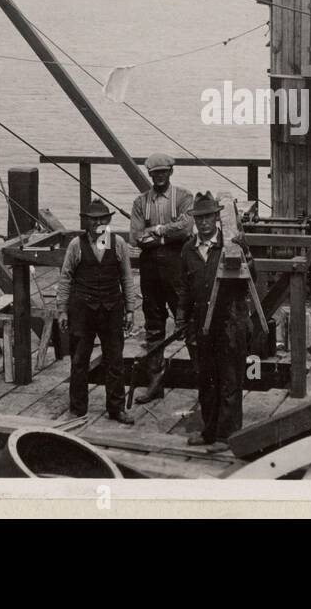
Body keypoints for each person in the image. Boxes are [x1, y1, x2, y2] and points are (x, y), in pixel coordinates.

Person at [54, 199, 137, 424]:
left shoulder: (118, 243)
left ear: (108, 220)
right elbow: (65, 278)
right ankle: (78, 408)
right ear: (86, 222)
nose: (98, 223)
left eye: (102, 219)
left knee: (115, 360)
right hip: (82, 309)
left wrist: (130, 310)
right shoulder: (75, 245)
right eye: (93, 219)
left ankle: (116, 409)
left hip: (112, 309)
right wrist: (62, 310)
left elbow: (127, 278)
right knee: (79, 360)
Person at [178, 192, 249, 450]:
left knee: (230, 379)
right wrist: (181, 319)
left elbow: (250, 275)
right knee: (206, 379)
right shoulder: (189, 249)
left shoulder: (230, 245)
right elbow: (184, 288)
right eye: (200, 218)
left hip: (230, 321)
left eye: (209, 217)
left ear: (217, 217)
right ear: (195, 220)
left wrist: (245, 249)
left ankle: (226, 436)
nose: (205, 222)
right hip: (202, 324)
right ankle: (209, 432)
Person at [129, 153, 194, 402]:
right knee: (153, 325)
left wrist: (157, 232)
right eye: (155, 173)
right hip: (150, 272)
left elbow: (187, 228)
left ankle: (204, 379)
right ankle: (155, 382)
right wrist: (168, 234)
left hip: (178, 270)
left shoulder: (183, 197)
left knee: (187, 321)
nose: (159, 177)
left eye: (163, 172)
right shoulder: (140, 202)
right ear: (149, 174)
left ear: (170, 172)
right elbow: (135, 236)